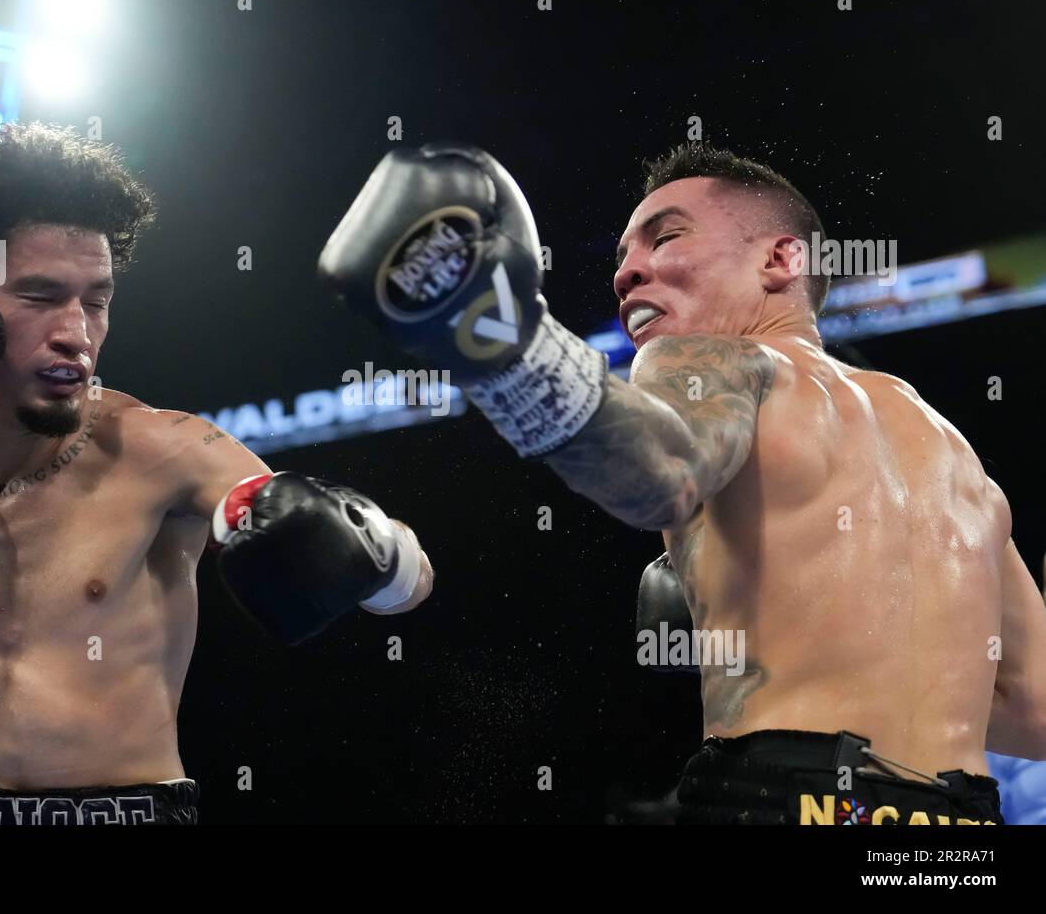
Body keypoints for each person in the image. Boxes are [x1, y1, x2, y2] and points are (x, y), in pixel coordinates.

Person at [319, 141, 1045, 824]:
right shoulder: (953, 451)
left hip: (781, 795)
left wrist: (497, 341)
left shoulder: (713, 361)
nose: (626, 271)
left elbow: (658, 477)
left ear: (781, 259)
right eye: (623, 254)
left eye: (665, 238)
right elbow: (1036, 711)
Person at [0, 121, 434, 825]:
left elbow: (408, 590)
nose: (76, 332)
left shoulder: (164, 448)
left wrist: (374, 547)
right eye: (40, 297)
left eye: (96, 301)